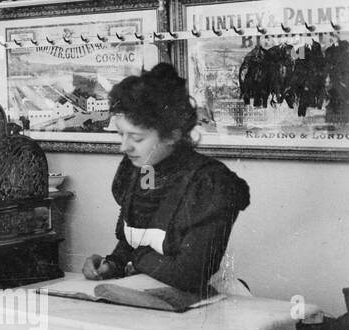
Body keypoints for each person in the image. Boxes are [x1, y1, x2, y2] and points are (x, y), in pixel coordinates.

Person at [81, 63, 250, 303]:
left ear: (172, 135)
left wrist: (135, 259)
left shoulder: (209, 183)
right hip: (151, 298)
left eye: (136, 138)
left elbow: (189, 274)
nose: (124, 147)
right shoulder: (143, 170)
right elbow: (136, 237)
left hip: (208, 304)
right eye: (121, 135)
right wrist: (112, 263)